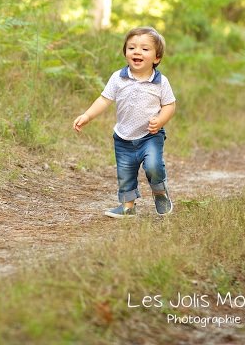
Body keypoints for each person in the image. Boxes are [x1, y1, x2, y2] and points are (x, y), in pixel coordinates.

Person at [73, 27, 176, 218]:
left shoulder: (160, 82)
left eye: (145, 49)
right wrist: (87, 116)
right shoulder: (118, 78)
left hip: (150, 136)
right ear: (125, 53)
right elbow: (104, 99)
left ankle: (160, 192)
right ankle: (128, 207)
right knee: (125, 173)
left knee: (153, 165)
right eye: (132, 48)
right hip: (123, 138)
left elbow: (170, 105)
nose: (137, 51)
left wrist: (160, 120)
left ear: (157, 58)